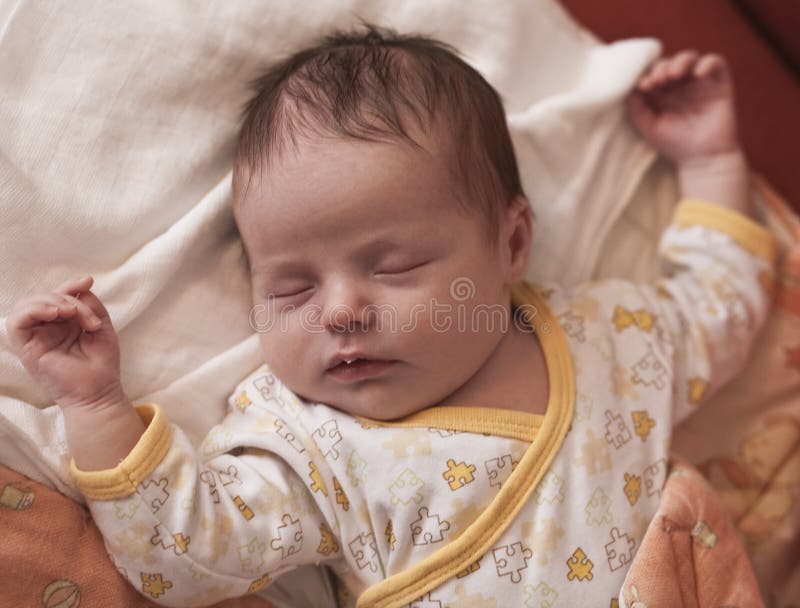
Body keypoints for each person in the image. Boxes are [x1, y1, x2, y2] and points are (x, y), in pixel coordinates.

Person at [6, 22, 776, 607]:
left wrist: (710, 164)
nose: (340, 311)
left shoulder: (615, 340)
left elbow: (721, 302)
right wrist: (96, 404)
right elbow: (183, 552)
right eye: (291, 289)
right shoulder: (312, 444)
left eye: (395, 267)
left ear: (511, 243)